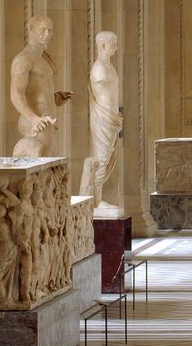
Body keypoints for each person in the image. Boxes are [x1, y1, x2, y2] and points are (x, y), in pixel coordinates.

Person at [10, 15, 72, 157]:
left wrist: (54, 97)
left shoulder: (44, 58)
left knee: (47, 173)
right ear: (31, 29)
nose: (47, 34)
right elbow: (15, 95)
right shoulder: (23, 59)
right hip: (34, 124)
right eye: (43, 30)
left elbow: (37, 90)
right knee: (38, 172)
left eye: (50, 30)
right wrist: (33, 118)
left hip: (47, 121)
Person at [81, 31, 123, 215]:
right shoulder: (99, 69)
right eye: (113, 44)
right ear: (103, 45)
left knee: (107, 156)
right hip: (102, 117)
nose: (115, 48)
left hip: (111, 118)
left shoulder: (109, 67)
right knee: (101, 157)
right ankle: (96, 200)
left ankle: (98, 199)